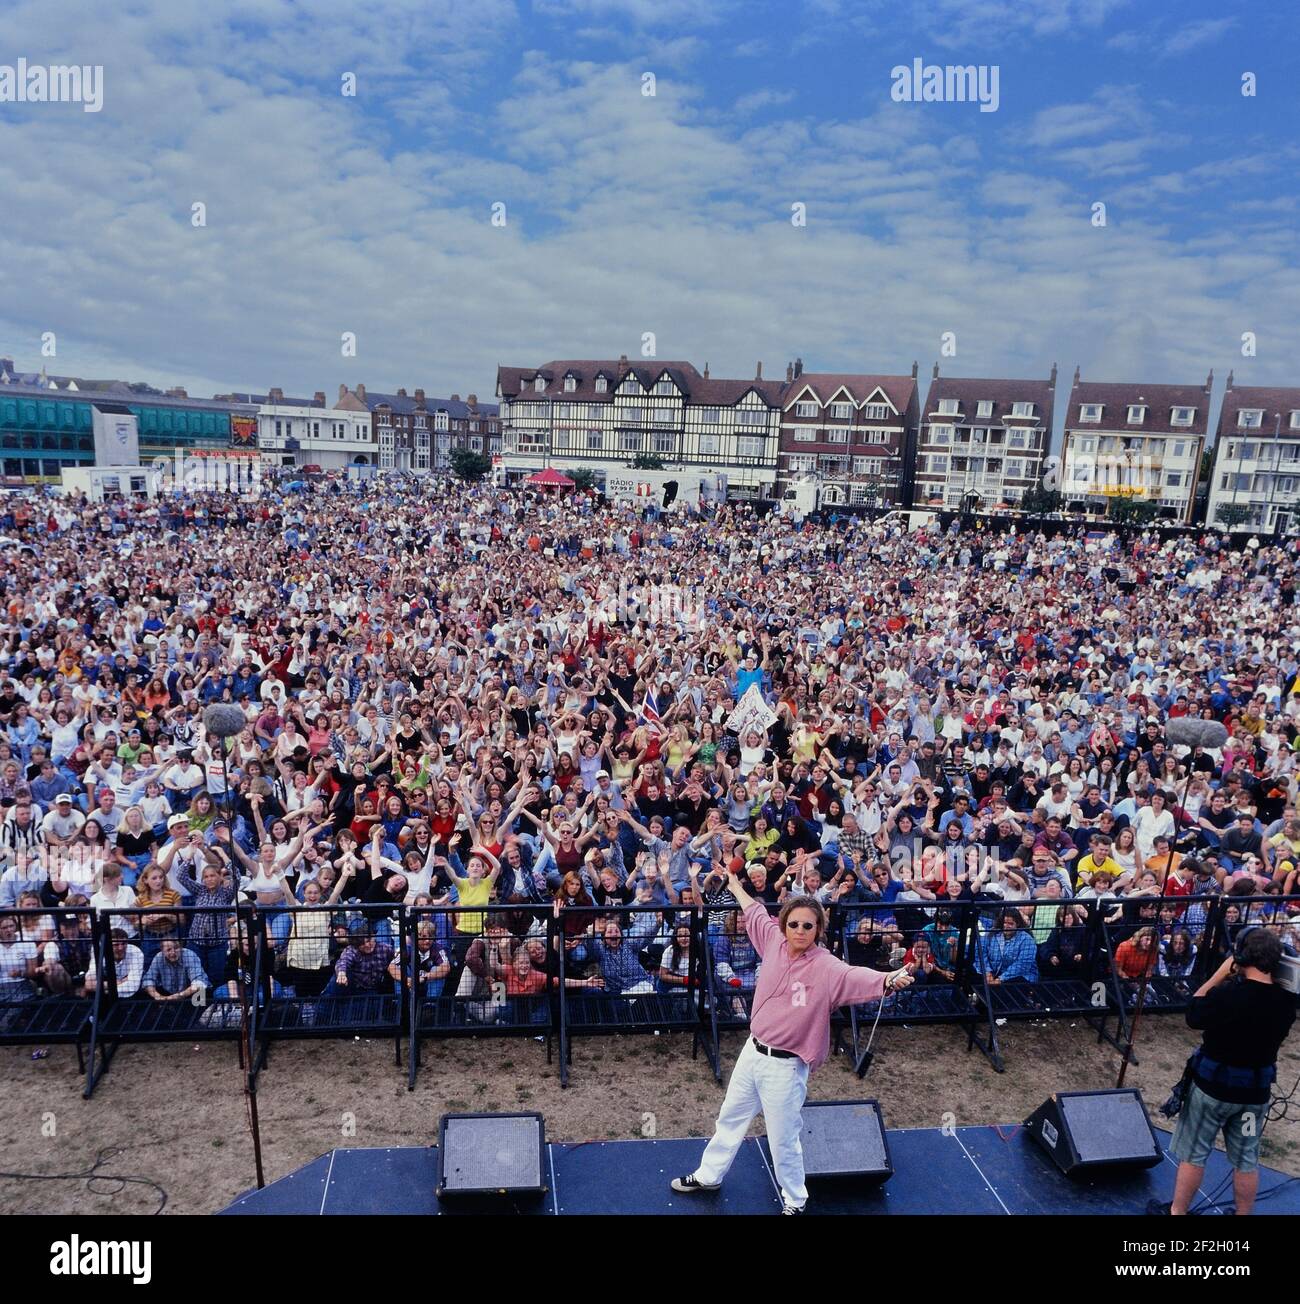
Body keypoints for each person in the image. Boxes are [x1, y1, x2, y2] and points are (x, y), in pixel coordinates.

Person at [671, 867, 913, 1214]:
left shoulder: (826, 966)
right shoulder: (773, 940)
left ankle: (795, 1201)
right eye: (794, 924)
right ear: (784, 925)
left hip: (785, 1067)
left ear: (818, 929)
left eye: (808, 925)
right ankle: (709, 1175)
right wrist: (735, 884)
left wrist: (889, 979)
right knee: (729, 1118)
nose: (799, 930)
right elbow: (753, 910)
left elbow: (855, 976)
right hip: (752, 1052)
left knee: (784, 1138)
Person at [1151, 928, 1295, 1216]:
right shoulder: (1287, 1000)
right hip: (1254, 1096)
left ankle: (1177, 1212)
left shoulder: (1228, 993)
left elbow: (1193, 1013)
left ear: (1240, 956)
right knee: (1246, 1159)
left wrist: (1219, 974)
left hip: (1211, 1093)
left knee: (1194, 1154)